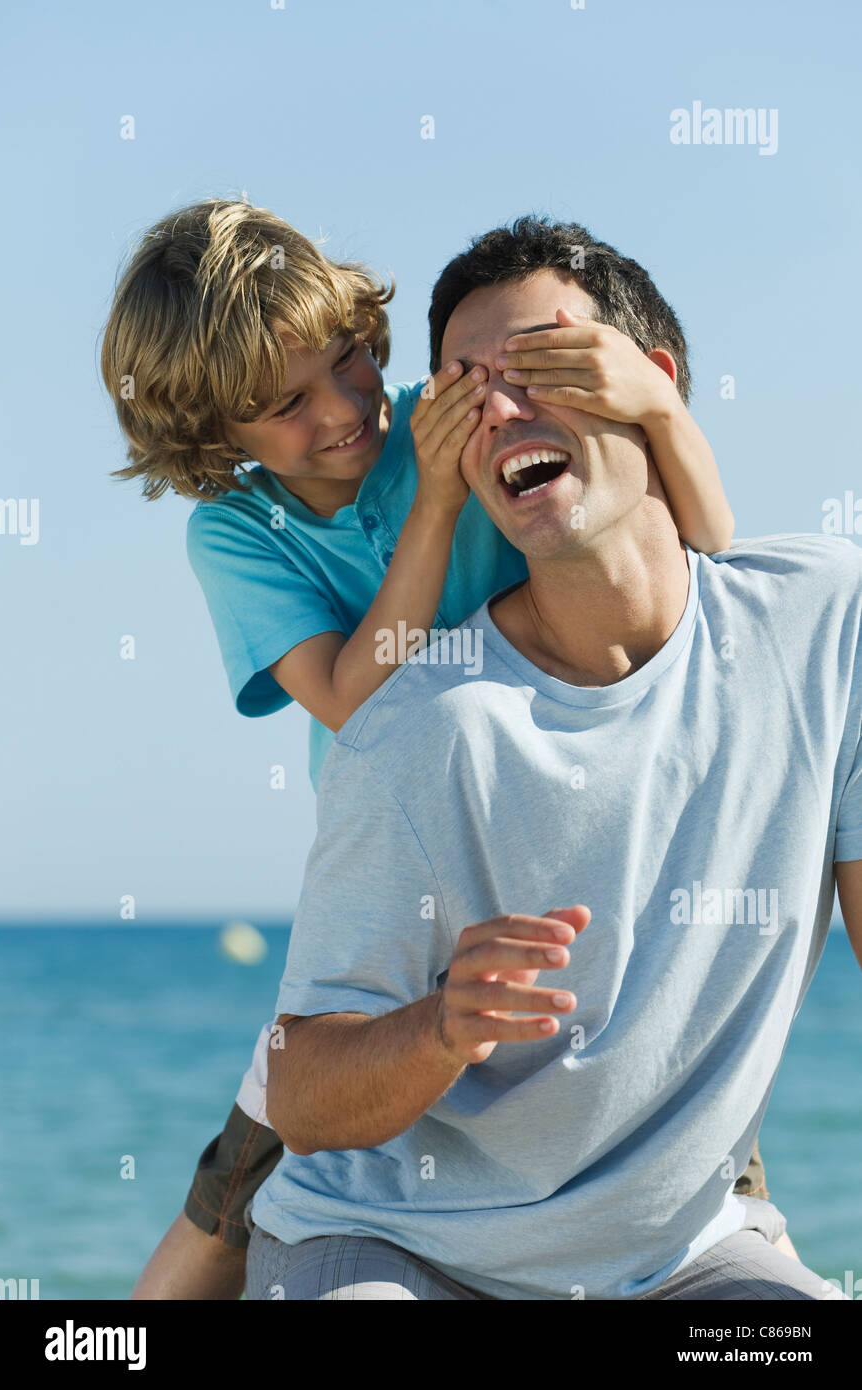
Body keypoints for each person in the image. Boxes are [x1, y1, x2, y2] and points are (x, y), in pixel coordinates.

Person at [100, 201, 751, 1299]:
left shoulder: (441, 416)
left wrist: (656, 403)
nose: (348, 408)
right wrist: (437, 506)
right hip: (402, 873)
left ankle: (720, 1204)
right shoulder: (238, 531)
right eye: (288, 404)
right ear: (218, 440)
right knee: (244, 1174)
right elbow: (358, 703)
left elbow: (702, 539)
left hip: (560, 808)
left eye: (349, 360)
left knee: (645, 1078)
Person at [243, 219, 862, 1300]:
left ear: (648, 383)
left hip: (679, 1260)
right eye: (465, 391)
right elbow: (297, 1087)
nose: (502, 407)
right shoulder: (411, 725)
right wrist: (438, 1029)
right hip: (400, 1248)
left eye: (545, 365)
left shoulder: (826, 627)